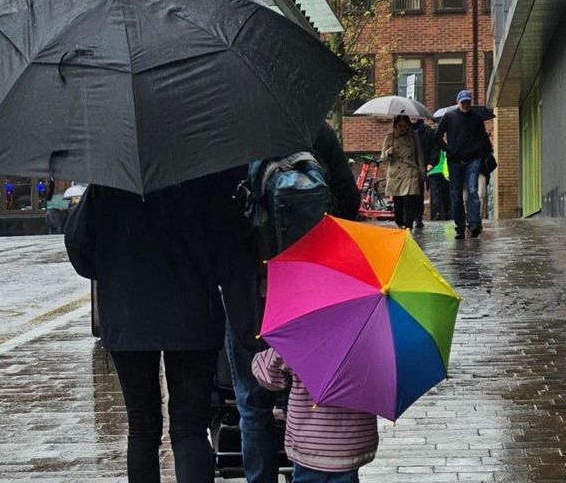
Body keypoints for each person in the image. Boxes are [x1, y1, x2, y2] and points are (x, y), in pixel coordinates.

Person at [65, 168, 258, 483]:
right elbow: (231, 251)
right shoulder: (202, 171)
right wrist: (247, 324)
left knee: (142, 427)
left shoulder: (112, 178)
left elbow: (80, 251)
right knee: (189, 427)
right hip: (192, 313)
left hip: (128, 316)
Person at [224, 123, 361, 483]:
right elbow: (350, 202)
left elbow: (217, 223)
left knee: (253, 406)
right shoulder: (316, 129)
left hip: (251, 294)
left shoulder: (229, 135)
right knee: (315, 400)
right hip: (313, 290)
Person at [252, 347, 379, 483]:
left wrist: (261, 358)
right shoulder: (369, 344)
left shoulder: (303, 339)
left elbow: (268, 376)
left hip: (309, 443)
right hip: (352, 444)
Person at [435, 90, 492, 239]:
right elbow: (438, 136)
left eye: (468, 102)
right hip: (454, 162)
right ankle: (460, 226)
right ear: (458, 102)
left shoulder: (476, 119)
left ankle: (474, 223)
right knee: (456, 194)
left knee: (472, 191)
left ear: (470, 102)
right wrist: (449, 149)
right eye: (463, 102)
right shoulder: (449, 117)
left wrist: (479, 150)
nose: (465, 104)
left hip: (472, 160)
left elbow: (482, 137)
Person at [380, 115, 424, 230]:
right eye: (400, 126)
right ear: (395, 126)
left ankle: (408, 226)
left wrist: (421, 172)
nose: (403, 128)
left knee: (409, 201)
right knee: (398, 203)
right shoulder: (389, 138)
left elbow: (419, 155)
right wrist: (388, 153)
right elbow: (382, 158)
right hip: (396, 173)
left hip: (411, 172)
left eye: (405, 126)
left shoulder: (414, 137)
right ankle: (400, 222)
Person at [410, 119, 430, 228]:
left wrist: (431, 162)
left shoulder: (426, 130)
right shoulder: (402, 129)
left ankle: (418, 216)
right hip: (407, 166)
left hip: (421, 165)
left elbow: (432, 147)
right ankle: (408, 217)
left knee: (418, 193)